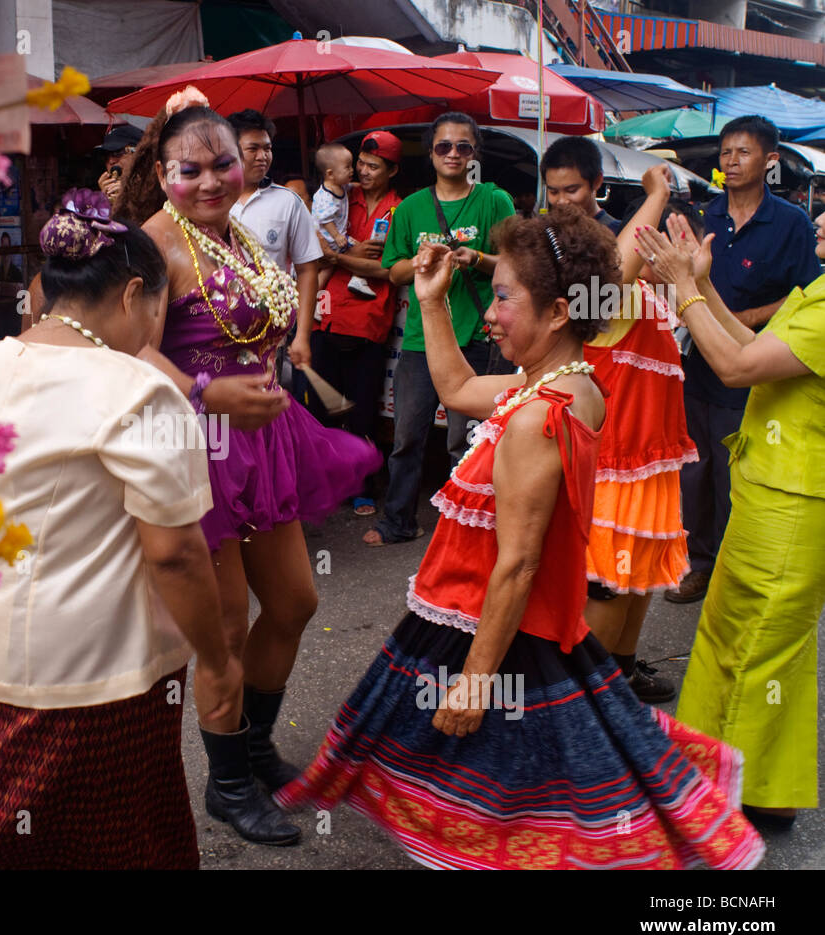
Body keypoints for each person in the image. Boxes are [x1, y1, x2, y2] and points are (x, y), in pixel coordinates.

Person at [276, 205, 765, 870]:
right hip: (482, 621)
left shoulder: (541, 412)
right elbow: (453, 384)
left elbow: (519, 561)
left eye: (505, 297)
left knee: (514, 809)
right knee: (508, 799)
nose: (493, 313)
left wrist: (477, 680)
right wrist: (433, 302)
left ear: (560, 312)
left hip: (499, 635)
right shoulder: (560, 383)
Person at [0, 191, 240, 869]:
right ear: (134, 296)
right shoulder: (137, 390)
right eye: (159, 308)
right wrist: (218, 661)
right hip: (102, 671)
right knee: (117, 839)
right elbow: (177, 554)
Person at [116, 88, 380, 846]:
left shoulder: (237, 234)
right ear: (162, 171)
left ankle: (254, 745)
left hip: (265, 440)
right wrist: (208, 390)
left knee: (295, 603)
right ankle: (227, 783)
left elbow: (264, 321)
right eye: (188, 170)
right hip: (198, 450)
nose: (208, 182)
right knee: (224, 629)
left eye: (221, 165)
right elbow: (129, 349)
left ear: (243, 165)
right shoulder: (153, 245)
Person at [639, 207, 825, 833]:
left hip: (797, 504)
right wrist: (704, 285)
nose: (819, 217)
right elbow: (754, 348)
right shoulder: (821, 288)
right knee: (743, 640)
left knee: (756, 648)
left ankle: (711, 798)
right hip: (772, 490)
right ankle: (763, 789)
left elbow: (735, 369)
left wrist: (685, 290)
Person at [550, 164, 696, 704]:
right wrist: (656, 192)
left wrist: (683, 272)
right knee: (609, 586)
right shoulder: (598, 302)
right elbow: (618, 272)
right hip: (611, 461)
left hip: (650, 461)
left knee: (641, 582)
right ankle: (589, 706)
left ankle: (625, 674)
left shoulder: (641, 293)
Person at [667, 115, 820, 604]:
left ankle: (736, 573)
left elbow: (804, 292)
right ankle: (697, 564)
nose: (730, 162)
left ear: (770, 160)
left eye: (743, 152)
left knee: (735, 474)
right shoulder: (704, 217)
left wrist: (750, 316)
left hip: (759, 364)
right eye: (725, 152)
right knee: (694, 471)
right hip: (697, 365)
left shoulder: (792, 223)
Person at [368, 114, 515, 546]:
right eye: (444, 146)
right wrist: (416, 264)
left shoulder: (494, 200)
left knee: (464, 439)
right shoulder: (411, 208)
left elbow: (514, 264)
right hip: (422, 341)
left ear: (475, 155)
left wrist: (478, 259)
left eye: (464, 147)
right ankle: (397, 521)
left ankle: (466, 526)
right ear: (431, 153)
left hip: (476, 339)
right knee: (407, 437)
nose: (454, 154)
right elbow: (390, 271)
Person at [308, 130, 403, 510]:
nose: (362, 171)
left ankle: (360, 487)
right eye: (359, 164)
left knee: (362, 411)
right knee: (320, 411)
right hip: (324, 317)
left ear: (392, 170)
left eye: (372, 166)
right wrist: (345, 256)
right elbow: (311, 246)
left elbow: (389, 269)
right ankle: (324, 486)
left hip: (369, 323)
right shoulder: (339, 195)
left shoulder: (401, 210)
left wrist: (341, 258)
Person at [224, 109, 321, 372]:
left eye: (267, 148)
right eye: (253, 148)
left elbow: (307, 270)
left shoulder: (288, 202)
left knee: (264, 406)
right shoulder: (210, 200)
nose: (263, 156)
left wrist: (302, 336)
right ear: (229, 150)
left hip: (269, 334)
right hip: (215, 331)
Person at [311, 142, 373, 297]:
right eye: (347, 167)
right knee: (361, 250)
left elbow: (349, 186)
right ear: (330, 174)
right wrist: (337, 236)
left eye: (352, 166)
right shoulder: (326, 196)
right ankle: (358, 278)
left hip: (336, 238)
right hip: (329, 240)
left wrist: (359, 186)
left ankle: (316, 298)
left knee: (327, 270)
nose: (353, 170)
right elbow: (325, 219)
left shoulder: (340, 185)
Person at [541, 135, 623, 235]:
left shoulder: (621, 234)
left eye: (571, 190)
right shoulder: (545, 234)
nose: (561, 201)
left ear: (597, 181)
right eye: (553, 192)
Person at [96, 122, 143, 203]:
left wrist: (131, 197)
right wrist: (103, 202)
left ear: (138, 154)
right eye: (105, 156)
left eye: (117, 153)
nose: (111, 161)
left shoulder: (162, 186)